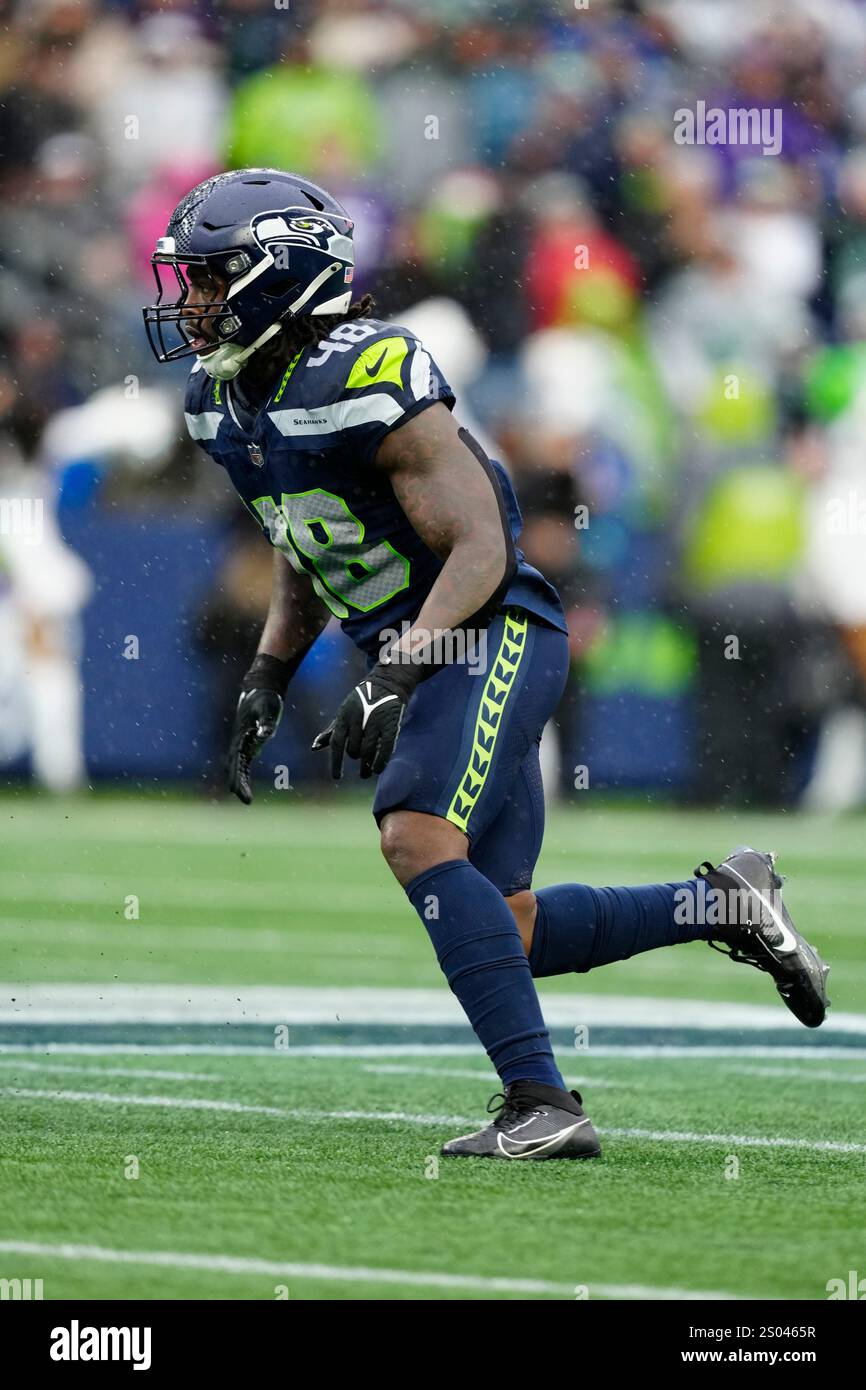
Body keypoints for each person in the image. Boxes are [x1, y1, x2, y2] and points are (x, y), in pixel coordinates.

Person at [144, 169, 829, 1161]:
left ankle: (541, 1103)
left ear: (276, 274)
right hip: (423, 643)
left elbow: (481, 547)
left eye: (210, 279)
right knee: (504, 924)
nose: (191, 302)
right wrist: (268, 673)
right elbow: (304, 543)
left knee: (415, 836)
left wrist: (398, 670)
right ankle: (720, 902)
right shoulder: (223, 402)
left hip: (488, 627)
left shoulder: (366, 369)